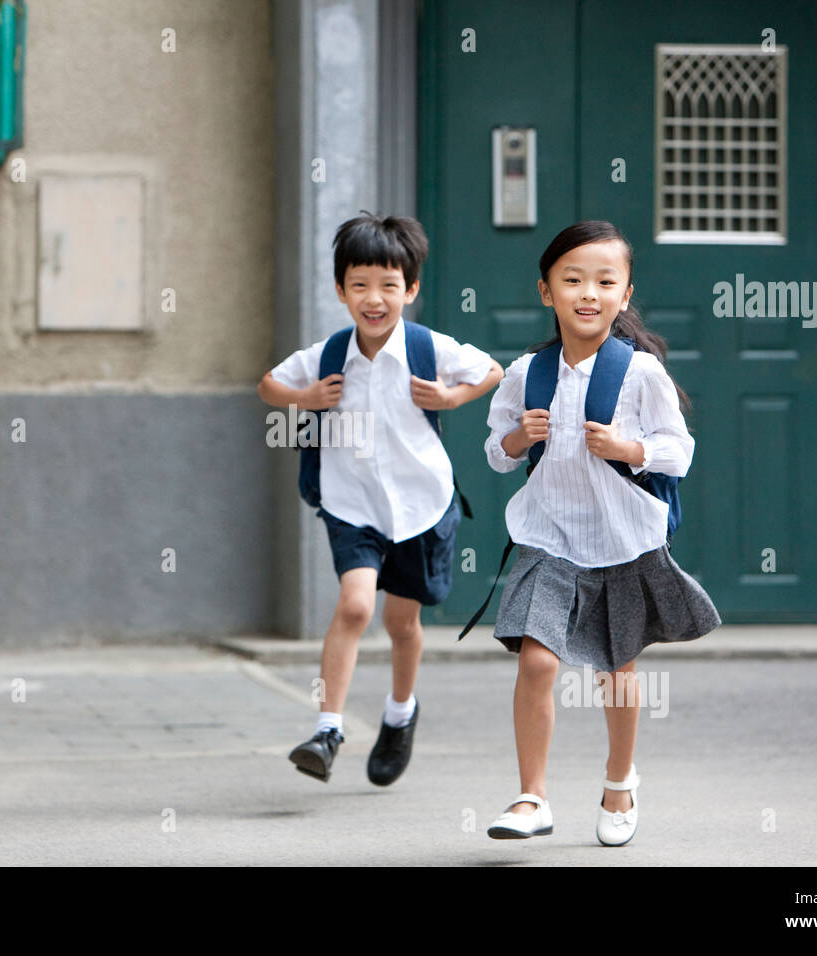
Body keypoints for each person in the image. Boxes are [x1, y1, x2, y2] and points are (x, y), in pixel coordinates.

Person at [481, 220, 720, 845]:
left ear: (624, 292)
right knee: (536, 660)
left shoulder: (640, 373)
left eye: (605, 281)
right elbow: (497, 454)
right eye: (573, 280)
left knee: (616, 668)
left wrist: (628, 446)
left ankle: (620, 780)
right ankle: (532, 798)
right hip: (547, 535)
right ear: (546, 291)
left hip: (622, 539)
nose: (589, 292)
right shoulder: (526, 372)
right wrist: (515, 438)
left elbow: (680, 451)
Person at [258, 212, 502, 786]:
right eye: (360, 285)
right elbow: (268, 384)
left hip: (421, 502)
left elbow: (491, 369)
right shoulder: (328, 356)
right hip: (352, 503)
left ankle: (400, 713)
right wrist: (307, 397)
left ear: (410, 290)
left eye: (389, 285)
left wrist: (451, 396)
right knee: (354, 606)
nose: (375, 298)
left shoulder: (426, 346)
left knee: (400, 622)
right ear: (341, 290)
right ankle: (327, 728)